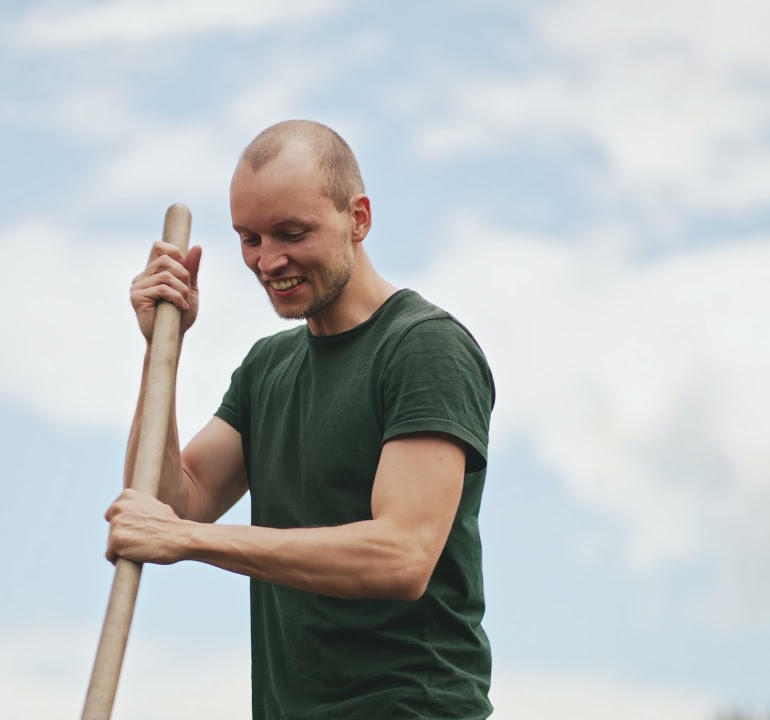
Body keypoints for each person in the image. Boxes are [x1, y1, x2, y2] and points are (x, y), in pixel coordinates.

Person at [106, 119, 495, 719]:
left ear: (358, 218)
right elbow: (172, 503)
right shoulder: (269, 367)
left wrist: (187, 541)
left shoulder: (422, 348)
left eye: (292, 233)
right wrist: (162, 351)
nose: (268, 260)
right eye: (249, 238)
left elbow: (403, 555)